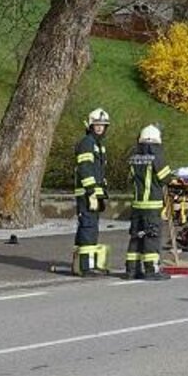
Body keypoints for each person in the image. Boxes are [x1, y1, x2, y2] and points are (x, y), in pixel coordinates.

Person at [126, 124, 171, 279]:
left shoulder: (133, 157)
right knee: (152, 236)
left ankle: (132, 269)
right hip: (152, 205)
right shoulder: (156, 157)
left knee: (137, 236)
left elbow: (130, 178)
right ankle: (152, 270)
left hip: (137, 205)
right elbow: (165, 177)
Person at [71, 108, 111, 275]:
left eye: (103, 125)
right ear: (90, 125)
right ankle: (85, 267)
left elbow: (98, 172)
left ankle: (86, 264)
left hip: (95, 193)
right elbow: (85, 169)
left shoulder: (98, 145)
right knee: (88, 226)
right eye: (97, 125)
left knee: (91, 227)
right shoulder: (87, 143)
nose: (100, 128)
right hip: (88, 194)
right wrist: (91, 191)